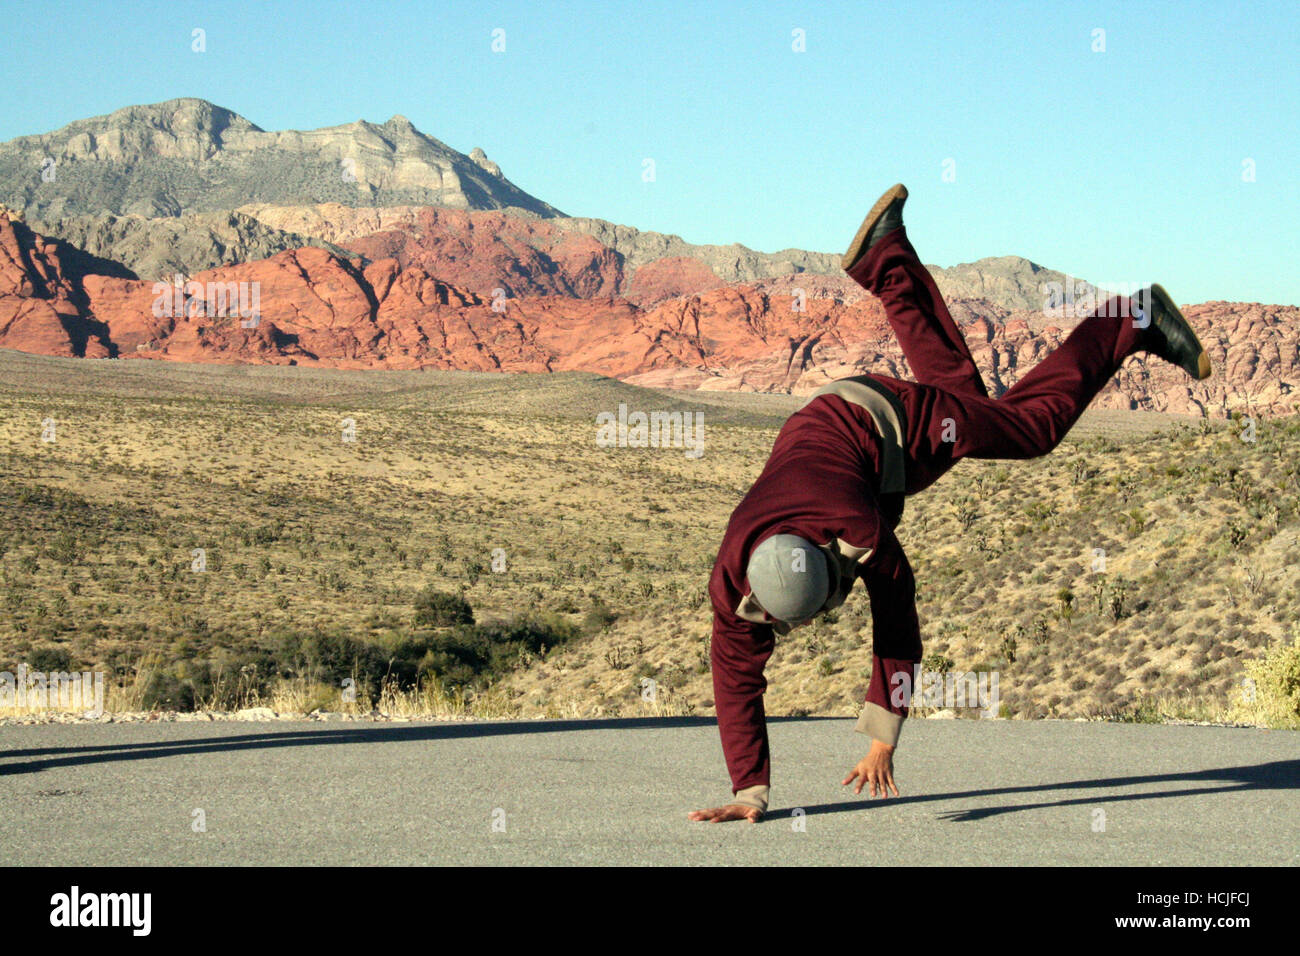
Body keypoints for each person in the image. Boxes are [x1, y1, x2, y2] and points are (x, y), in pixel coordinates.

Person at [688, 183, 1212, 823]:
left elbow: (897, 617)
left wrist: (885, 732)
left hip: (899, 427)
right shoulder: (730, 584)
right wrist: (750, 793)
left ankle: (1133, 317)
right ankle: (886, 258)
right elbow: (736, 680)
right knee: (963, 387)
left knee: (1032, 429)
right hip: (833, 416)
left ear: (830, 554)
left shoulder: (858, 530)